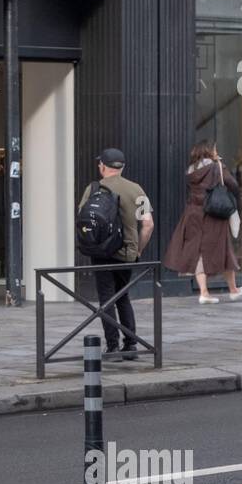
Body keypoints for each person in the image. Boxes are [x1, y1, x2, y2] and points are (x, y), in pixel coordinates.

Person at [77, 148, 154, 359]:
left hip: (100, 252)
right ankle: (130, 345)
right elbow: (148, 225)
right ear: (122, 167)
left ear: (102, 166)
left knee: (106, 299)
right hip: (126, 252)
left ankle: (112, 346)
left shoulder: (93, 189)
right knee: (123, 296)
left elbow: (83, 218)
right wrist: (137, 249)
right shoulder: (136, 189)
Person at [163, 140, 242, 304]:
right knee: (224, 249)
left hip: (193, 213)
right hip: (214, 212)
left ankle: (204, 292)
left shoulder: (191, 170)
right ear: (209, 151)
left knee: (198, 251)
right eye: (215, 148)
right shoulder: (217, 167)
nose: (216, 151)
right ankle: (233, 289)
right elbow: (233, 185)